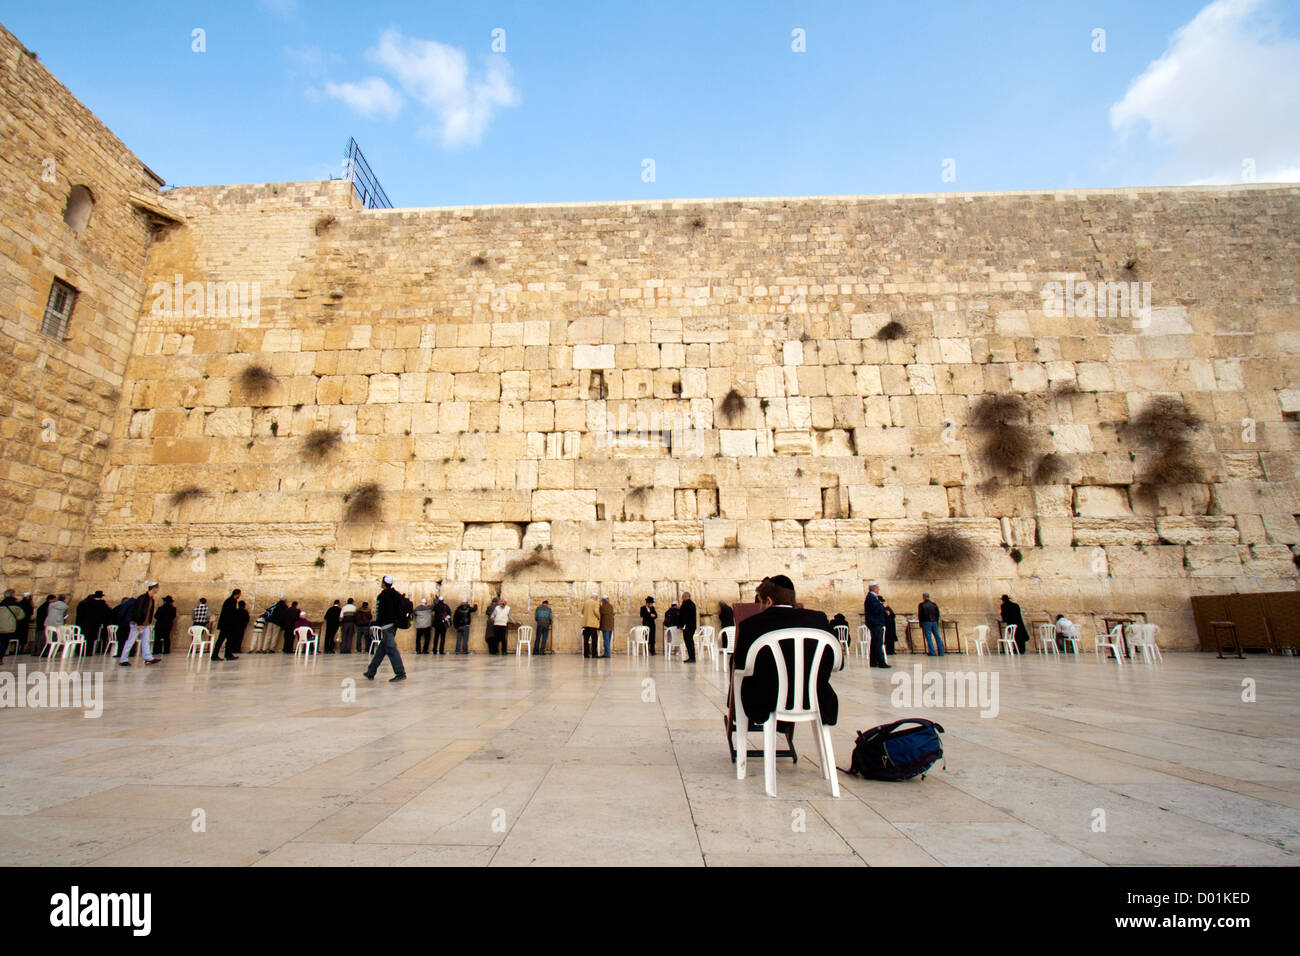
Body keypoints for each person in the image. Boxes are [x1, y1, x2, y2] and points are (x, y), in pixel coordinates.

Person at [726, 574, 838, 758]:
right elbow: (835, 663)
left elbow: (741, 663)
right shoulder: (819, 620)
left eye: (760, 603)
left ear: (768, 601)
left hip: (766, 702)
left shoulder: (751, 625)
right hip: (815, 699)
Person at [364, 575, 407, 682]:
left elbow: (379, 612)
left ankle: (400, 673)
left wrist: (379, 622)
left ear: (383, 584)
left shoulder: (382, 596)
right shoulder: (397, 595)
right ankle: (371, 671)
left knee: (392, 649)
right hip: (394, 625)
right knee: (381, 649)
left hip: (386, 625)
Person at [120, 582, 160, 666]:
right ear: (153, 588)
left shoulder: (151, 599)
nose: (158, 589)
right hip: (137, 624)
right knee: (130, 641)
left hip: (145, 624)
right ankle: (123, 659)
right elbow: (137, 610)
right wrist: (138, 623)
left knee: (146, 641)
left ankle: (148, 658)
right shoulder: (142, 598)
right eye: (157, 588)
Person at [864, 581, 890, 668]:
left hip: (874, 622)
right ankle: (881, 662)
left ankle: (873, 662)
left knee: (875, 642)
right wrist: (883, 606)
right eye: (877, 588)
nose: (878, 589)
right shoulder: (871, 597)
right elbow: (875, 609)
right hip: (876, 622)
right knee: (878, 642)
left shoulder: (871, 597)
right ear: (874, 588)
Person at [212, 588, 243, 661]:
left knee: (225, 640)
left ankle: (225, 654)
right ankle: (221, 655)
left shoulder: (228, 600)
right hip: (228, 625)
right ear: (237, 594)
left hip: (225, 625)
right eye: (239, 594)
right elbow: (232, 613)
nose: (239, 596)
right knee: (225, 640)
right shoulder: (232, 601)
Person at [0, 589, 27, 663]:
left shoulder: (1, 603)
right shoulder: (15, 605)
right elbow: (21, 616)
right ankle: (0, 658)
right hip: (8, 627)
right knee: (4, 643)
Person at [581, 591, 600, 658]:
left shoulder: (586, 602)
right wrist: (599, 617)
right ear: (595, 597)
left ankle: (586, 654)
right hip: (593, 624)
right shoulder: (595, 603)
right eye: (597, 598)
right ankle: (594, 654)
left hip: (586, 624)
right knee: (594, 640)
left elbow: (582, 611)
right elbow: (596, 611)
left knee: (586, 640)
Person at [679, 592, 698, 663]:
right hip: (691, 626)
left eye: (683, 597)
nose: (682, 598)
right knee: (690, 641)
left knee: (688, 641)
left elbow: (684, 616)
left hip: (688, 626)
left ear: (686, 596)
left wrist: (682, 625)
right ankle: (692, 657)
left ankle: (692, 657)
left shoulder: (686, 604)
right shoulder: (692, 604)